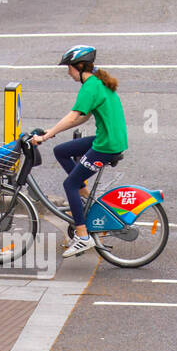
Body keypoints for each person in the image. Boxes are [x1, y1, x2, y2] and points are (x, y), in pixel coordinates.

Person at [32, 45, 128, 256]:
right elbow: (84, 116)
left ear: (79, 67)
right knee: (61, 151)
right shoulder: (96, 82)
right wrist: (53, 131)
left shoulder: (90, 87)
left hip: (107, 146)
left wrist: (46, 136)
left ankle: (83, 236)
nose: (68, 72)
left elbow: (75, 115)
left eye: (69, 68)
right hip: (109, 139)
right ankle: (85, 195)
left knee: (69, 184)